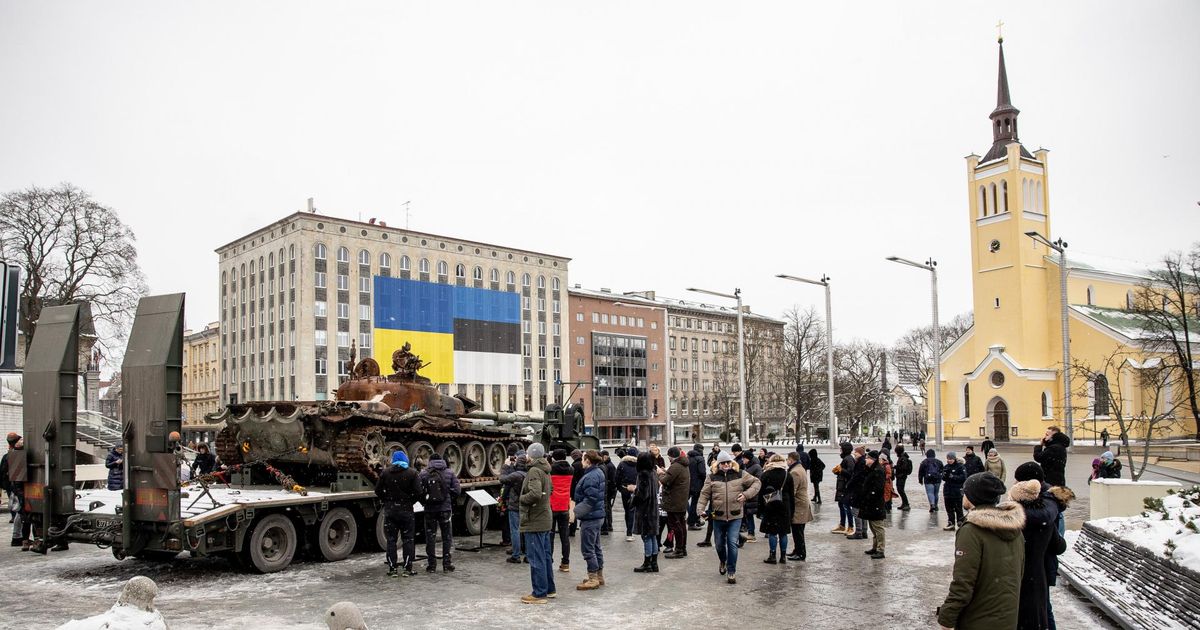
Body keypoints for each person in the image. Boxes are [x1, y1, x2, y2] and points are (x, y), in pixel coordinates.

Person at [937, 472, 1026, 630]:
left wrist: (947, 617)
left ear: (973, 497)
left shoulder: (972, 531)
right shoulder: (1015, 529)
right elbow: (1019, 573)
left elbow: (963, 582)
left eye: (965, 492)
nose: (963, 496)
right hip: (1007, 617)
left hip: (978, 619)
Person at [1010, 477, 1067, 630]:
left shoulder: (1013, 520)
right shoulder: (1045, 517)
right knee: (1041, 612)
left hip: (1017, 574)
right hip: (1039, 573)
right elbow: (1060, 546)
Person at [697, 450, 761, 584]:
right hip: (718, 517)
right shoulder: (712, 477)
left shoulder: (740, 474)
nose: (726, 465)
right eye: (723, 463)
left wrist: (746, 495)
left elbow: (757, 483)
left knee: (732, 543)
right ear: (718, 464)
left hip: (735, 516)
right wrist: (700, 509)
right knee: (719, 545)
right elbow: (704, 494)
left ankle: (731, 571)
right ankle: (723, 561)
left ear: (731, 462)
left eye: (728, 462)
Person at [519, 443, 555, 604]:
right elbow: (550, 490)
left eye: (527, 453)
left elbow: (535, 494)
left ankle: (539, 593)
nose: (526, 456)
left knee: (536, 557)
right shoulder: (545, 469)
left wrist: (521, 498)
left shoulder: (534, 470)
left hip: (535, 520)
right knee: (545, 556)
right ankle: (549, 589)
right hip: (545, 518)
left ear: (532, 455)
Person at [375, 451, 419, 577]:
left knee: (391, 540)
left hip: (391, 511)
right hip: (406, 511)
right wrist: (410, 501)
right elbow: (418, 491)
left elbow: (378, 490)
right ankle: (407, 568)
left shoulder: (385, 473)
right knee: (408, 539)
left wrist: (387, 500)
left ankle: (392, 568)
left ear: (393, 460)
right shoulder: (412, 473)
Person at [418, 453, 461, 572]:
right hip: (445, 509)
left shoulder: (423, 473)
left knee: (430, 537)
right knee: (447, 537)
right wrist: (447, 497)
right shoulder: (449, 472)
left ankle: (431, 565)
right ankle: (447, 564)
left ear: (430, 461)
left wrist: (425, 502)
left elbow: (419, 491)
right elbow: (457, 490)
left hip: (429, 510)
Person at [573, 450, 607, 590]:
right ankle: (598, 575)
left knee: (588, 549)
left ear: (587, 460)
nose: (581, 461)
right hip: (596, 515)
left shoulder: (591, 476)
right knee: (596, 547)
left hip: (591, 517)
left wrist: (574, 512)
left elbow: (590, 499)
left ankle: (593, 578)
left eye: (582, 459)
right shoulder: (597, 472)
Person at [758, 453, 793, 564]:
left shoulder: (766, 475)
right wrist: (792, 510)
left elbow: (761, 493)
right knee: (783, 532)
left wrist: (760, 509)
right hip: (785, 505)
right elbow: (792, 494)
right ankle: (783, 556)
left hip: (771, 505)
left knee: (772, 532)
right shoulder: (788, 475)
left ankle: (772, 555)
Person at [629, 451, 661, 574]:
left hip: (645, 510)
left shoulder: (643, 475)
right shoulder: (653, 472)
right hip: (653, 508)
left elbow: (643, 494)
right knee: (652, 536)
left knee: (646, 536)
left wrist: (633, 494)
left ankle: (647, 563)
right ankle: (654, 563)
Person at [659, 446, 691, 559]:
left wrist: (660, 473)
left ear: (671, 456)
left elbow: (665, 481)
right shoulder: (683, 464)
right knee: (681, 525)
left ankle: (679, 550)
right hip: (681, 500)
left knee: (676, 525)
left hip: (674, 501)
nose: (668, 458)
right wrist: (666, 472)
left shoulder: (675, 466)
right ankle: (683, 548)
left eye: (668, 456)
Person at [856, 450, 888, 559]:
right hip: (871, 504)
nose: (865, 459)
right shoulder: (872, 469)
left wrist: (869, 496)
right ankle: (875, 547)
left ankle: (880, 550)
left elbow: (878, 488)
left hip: (875, 503)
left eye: (867, 458)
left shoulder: (878, 470)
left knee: (878, 527)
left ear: (872, 459)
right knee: (873, 527)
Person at [500, 450, 528, 563]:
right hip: (525, 505)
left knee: (515, 530)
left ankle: (516, 555)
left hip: (515, 505)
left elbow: (502, 479)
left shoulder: (516, 475)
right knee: (525, 529)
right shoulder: (529, 474)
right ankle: (527, 553)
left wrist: (506, 466)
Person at [5, 435, 31, 549]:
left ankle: (21, 539)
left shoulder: (10, 456)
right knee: (24, 515)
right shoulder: (17, 456)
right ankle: (22, 539)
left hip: (17, 489)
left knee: (22, 514)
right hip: (20, 489)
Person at [548, 450, 573, 572]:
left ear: (554, 458)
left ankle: (549, 560)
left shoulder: (550, 469)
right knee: (565, 537)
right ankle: (565, 563)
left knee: (550, 535)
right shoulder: (571, 470)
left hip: (552, 505)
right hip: (564, 505)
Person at [786, 451, 813, 561]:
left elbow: (792, 490)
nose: (786, 461)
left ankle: (801, 553)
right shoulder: (800, 468)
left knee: (798, 531)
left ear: (791, 460)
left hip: (798, 505)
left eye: (787, 459)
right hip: (802, 504)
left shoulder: (795, 472)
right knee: (798, 530)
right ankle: (797, 550)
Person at [737, 451, 762, 543]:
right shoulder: (747, 467)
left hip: (754, 494)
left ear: (749, 458)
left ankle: (767, 532)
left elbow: (758, 480)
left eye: (744, 458)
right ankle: (751, 533)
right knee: (749, 514)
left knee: (755, 514)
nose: (743, 460)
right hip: (748, 494)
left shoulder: (756, 467)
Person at [832, 442, 857, 534]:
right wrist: (837, 471)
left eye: (841, 449)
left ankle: (850, 526)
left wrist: (841, 470)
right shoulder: (846, 458)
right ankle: (842, 525)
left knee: (846, 506)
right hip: (842, 486)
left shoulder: (848, 459)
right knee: (841, 505)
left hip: (846, 487)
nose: (840, 450)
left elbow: (851, 473)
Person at [846, 446, 869, 540]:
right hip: (863, 490)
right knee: (862, 511)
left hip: (858, 490)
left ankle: (859, 531)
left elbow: (856, 476)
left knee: (856, 511)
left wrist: (849, 484)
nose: (854, 454)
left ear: (859, 453)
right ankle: (864, 531)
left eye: (855, 452)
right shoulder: (863, 462)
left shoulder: (860, 463)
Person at [616, 447, 639, 541]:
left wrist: (620, 488)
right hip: (636, 490)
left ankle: (628, 531)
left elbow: (617, 478)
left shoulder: (622, 464)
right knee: (633, 510)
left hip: (625, 489)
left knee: (627, 510)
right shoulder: (639, 464)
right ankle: (631, 531)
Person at [941, 452, 968, 531]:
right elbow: (943, 478)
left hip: (957, 490)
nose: (949, 460)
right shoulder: (946, 466)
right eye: (948, 459)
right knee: (949, 508)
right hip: (948, 490)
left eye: (951, 459)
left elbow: (963, 477)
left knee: (958, 507)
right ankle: (951, 523)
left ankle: (960, 521)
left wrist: (953, 477)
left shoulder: (960, 467)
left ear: (954, 459)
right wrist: (944, 475)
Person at [687, 443, 707, 530]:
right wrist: (705, 481)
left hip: (688, 483)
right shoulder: (700, 458)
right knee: (695, 504)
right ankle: (692, 523)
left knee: (689, 502)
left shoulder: (688, 458)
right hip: (697, 484)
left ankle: (696, 520)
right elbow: (702, 472)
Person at [918, 449, 943, 513]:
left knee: (930, 493)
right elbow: (942, 471)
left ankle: (932, 504)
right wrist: (941, 477)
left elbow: (920, 472)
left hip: (928, 479)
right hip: (937, 479)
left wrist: (920, 480)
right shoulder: (939, 462)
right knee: (936, 493)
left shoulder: (924, 462)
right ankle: (936, 505)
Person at [600, 450, 617, 535]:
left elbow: (613, 480)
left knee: (608, 509)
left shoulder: (609, 466)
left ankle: (609, 525)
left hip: (609, 490)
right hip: (609, 490)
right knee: (608, 508)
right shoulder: (608, 465)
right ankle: (609, 525)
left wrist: (612, 491)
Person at [894, 445, 913, 511]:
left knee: (901, 490)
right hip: (900, 476)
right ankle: (904, 503)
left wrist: (896, 467)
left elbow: (903, 468)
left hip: (901, 476)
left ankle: (906, 504)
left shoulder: (903, 458)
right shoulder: (902, 457)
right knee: (900, 490)